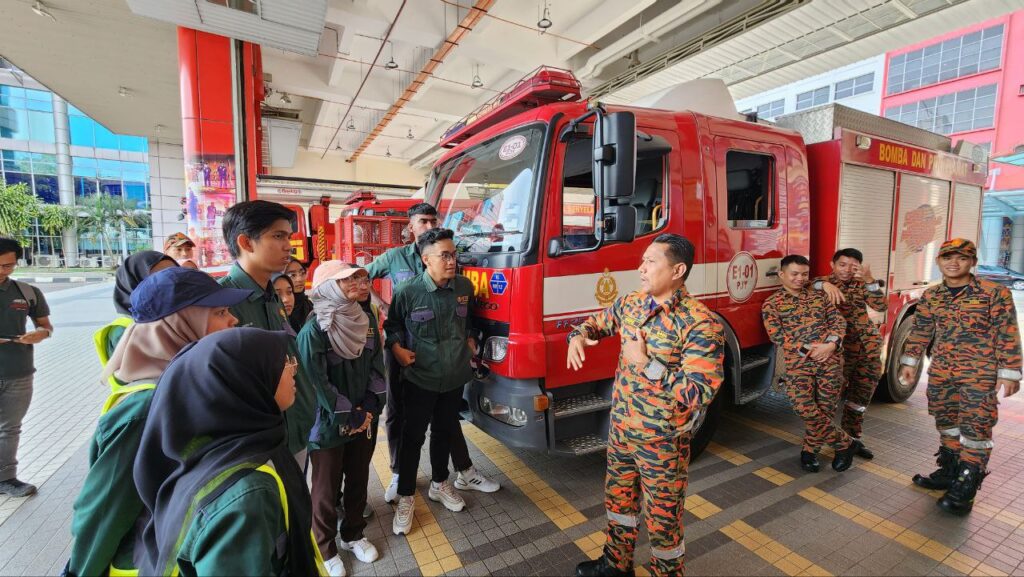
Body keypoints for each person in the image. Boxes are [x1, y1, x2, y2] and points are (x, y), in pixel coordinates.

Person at [66, 267, 248, 577]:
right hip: (152, 561)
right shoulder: (146, 408)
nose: (234, 321)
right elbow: (104, 507)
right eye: (219, 312)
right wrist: (81, 571)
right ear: (179, 326)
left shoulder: (191, 384)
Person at [567, 234, 725, 577]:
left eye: (651, 262)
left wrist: (644, 364)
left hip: (662, 441)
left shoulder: (700, 323)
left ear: (678, 270)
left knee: (664, 520)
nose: (641, 269)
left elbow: (699, 393)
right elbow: (596, 322)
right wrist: (578, 335)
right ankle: (616, 564)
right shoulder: (631, 304)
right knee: (619, 504)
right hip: (623, 429)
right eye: (642, 261)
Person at [133, 328, 324, 576]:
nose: (292, 369)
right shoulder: (247, 495)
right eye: (282, 364)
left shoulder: (216, 449)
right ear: (245, 383)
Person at [366, 203, 498, 504]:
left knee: (445, 420)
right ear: (410, 226)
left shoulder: (458, 277)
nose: (428, 226)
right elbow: (366, 281)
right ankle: (401, 476)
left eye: (432, 220)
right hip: (409, 355)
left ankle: (456, 473)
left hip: (447, 361)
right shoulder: (396, 260)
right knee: (402, 415)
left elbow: (466, 316)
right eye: (422, 222)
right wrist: (382, 310)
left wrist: (470, 339)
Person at [900, 238, 1022, 515]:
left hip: (979, 374)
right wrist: (909, 361)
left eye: (961, 258)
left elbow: (1007, 332)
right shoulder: (932, 295)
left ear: (972, 262)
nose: (953, 263)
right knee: (946, 422)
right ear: (938, 261)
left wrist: (1010, 372)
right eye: (947, 257)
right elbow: (920, 330)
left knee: (976, 429)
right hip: (942, 371)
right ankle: (950, 471)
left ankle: (965, 488)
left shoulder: (994, 293)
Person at [384, 228, 477, 536]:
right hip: (420, 379)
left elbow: (470, 321)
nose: (452, 261)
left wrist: (473, 339)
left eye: (454, 255)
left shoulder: (463, 286)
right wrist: (397, 347)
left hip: (454, 377)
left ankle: (440, 483)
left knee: (444, 431)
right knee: (413, 438)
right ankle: (407, 495)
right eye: (445, 256)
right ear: (426, 260)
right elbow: (392, 324)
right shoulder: (409, 291)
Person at [298, 262, 386, 577]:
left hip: (363, 416)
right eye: (345, 279)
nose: (355, 282)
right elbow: (316, 383)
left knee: (359, 478)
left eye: (357, 277)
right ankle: (325, 546)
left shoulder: (365, 321)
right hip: (328, 423)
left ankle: (353, 534)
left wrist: (369, 408)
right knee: (324, 488)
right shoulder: (314, 330)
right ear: (326, 287)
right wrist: (349, 414)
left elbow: (377, 367)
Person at [219, 200, 315, 458]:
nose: (288, 245)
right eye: (278, 236)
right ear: (246, 242)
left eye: (289, 236)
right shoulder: (221, 303)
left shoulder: (272, 295)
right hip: (261, 443)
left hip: (296, 430)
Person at [762, 254, 859, 474]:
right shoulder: (772, 303)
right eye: (794, 274)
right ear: (782, 274)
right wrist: (811, 350)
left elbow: (838, 321)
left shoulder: (819, 296)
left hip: (829, 362)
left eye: (804, 274)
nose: (799, 278)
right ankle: (845, 443)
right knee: (803, 407)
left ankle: (809, 451)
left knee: (825, 410)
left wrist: (831, 346)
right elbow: (777, 336)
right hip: (799, 365)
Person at [812, 248, 887, 458]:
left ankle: (852, 440)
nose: (846, 270)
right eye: (841, 264)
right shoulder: (821, 283)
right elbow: (808, 285)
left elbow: (881, 306)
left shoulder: (862, 284)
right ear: (832, 265)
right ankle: (819, 443)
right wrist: (825, 284)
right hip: (839, 352)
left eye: (852, 266)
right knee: (828, 399)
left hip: (868, 350)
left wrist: (870, 279)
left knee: (859, 399)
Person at [0, 237, 53, 497]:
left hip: (18, 372)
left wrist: (39, 334)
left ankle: (6, 478)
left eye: (8, 266)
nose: (2, 271)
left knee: (10, 427)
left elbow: (45, 326)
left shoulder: (27, 292)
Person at [96, 251, 178, 379]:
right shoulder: (122, 331)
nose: (170, 284)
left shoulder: (175, 317)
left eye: (174, 276)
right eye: (157, 279)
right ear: (134, 283)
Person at [285, 258, 314, 333]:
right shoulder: (277, 308)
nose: (300, 279)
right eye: (292, 275)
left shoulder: (308, 305)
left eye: (302, 273)